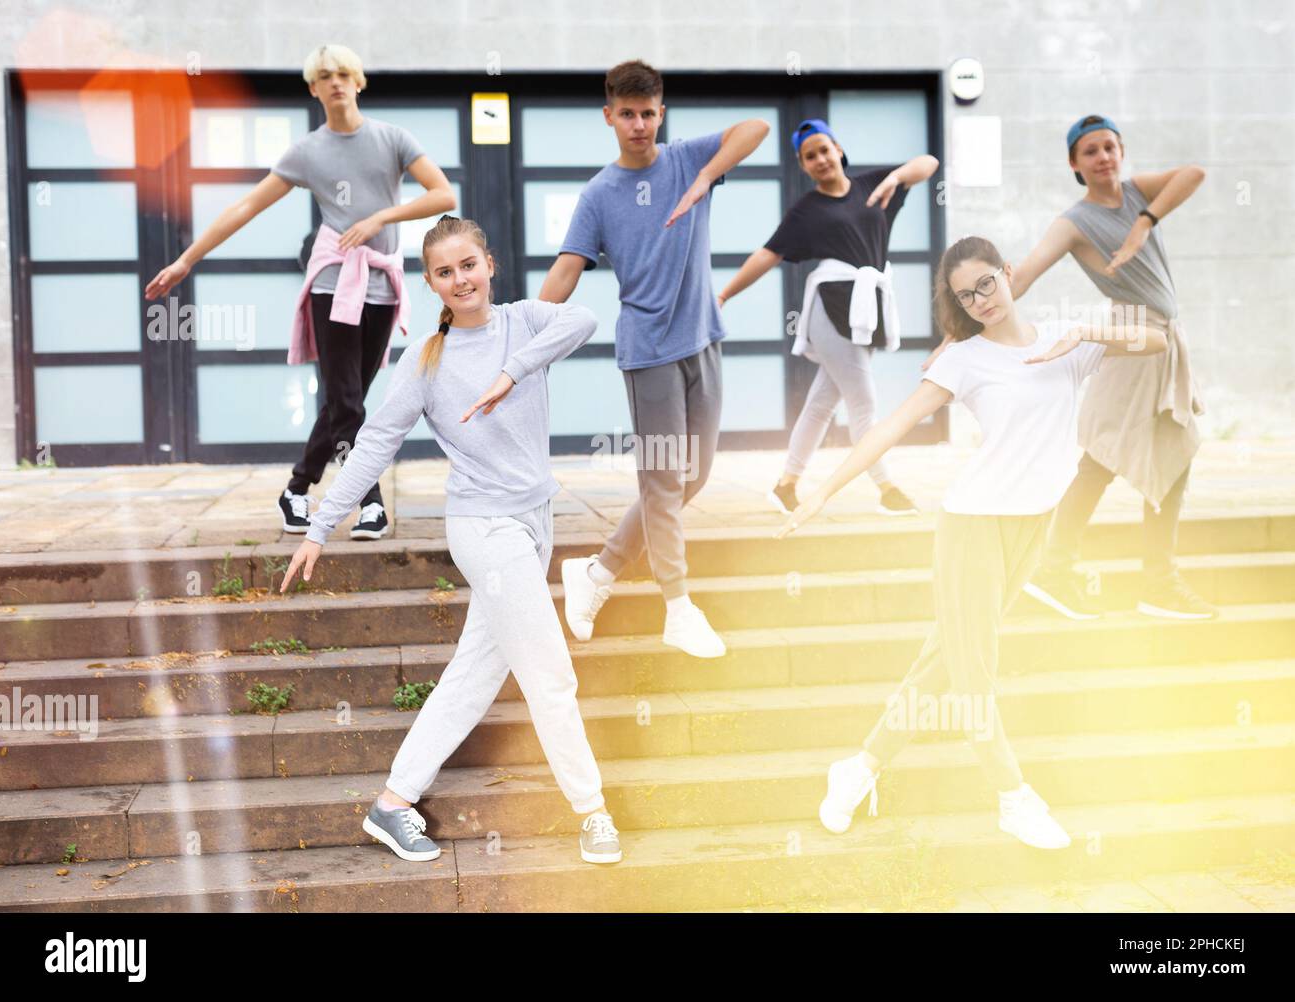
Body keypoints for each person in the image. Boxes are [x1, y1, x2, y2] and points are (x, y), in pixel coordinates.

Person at [777, 235, 1166, 849]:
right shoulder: (964, 358)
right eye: (965, 294)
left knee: (943, 662)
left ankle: (859, 768)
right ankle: (1012, 795)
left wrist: (1090, 332)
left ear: (1009, 275)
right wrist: (824, 491)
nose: (980, 299)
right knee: (972, 673)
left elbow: (1156, 340)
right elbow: (894, 426)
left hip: (1031, 525)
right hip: (973, 525)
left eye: (987, 283)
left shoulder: (1065, 341)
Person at [280, 216, 622, 865]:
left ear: (488, 264)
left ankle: (392, 804)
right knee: (548, 671)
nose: (460, 279)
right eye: (444, 272)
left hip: (532, 519)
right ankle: (593, 810)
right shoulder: (427, 360)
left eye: (468, 264)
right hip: (484, 528)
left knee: (474, 673)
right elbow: (375, 440)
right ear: (432, 284)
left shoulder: (525, 322)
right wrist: (323, 524)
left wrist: (513, 372)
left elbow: (583, 321)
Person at [144, 44, 456, 540]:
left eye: (343, 73)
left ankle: (296, 489)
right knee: (348, 403)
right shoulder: (308, 151)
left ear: (359, 82)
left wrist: (379, 216)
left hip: (380, 286)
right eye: (324, 76)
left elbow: (444, 194)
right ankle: (369, 502)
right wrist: (187, 259)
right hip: (333, 285)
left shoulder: (392, 139)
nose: (335, 82)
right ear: (313, 88)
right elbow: (246, 206)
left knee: (345, 402)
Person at [928, 115, 1213, 620]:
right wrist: (957, 333)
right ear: (1074, 164)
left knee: (1168, 454)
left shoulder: (1135, 195)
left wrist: (1144, 222)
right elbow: (1026, 273)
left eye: (1110, 147)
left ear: (1121, 151)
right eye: (1090, 152)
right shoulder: (1073, 222)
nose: (1103, 157)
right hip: (1128, 335)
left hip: (1163, 341)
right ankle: (1072, 569)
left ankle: (1144, 579)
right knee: (1103, 455)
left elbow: (1193, 173)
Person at [541, 59, 770, 659]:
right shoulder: (598, 194)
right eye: (627, 114)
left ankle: (596, 574)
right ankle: (678, 606)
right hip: (649, 355)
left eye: (648, 113)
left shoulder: (687, 158)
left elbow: (755, 129)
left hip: (704, 338)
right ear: (609, 116)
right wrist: (525, 335)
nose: (638, 125)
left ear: (660, 113)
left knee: (691, 478)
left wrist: (703, 180)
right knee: (664, 480)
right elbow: (567, 269)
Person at [719, 119, 937, 517]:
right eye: (809, 156)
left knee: (821, 403)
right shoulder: (807, 211)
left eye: (824, 149)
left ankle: (785, 486)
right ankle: (887, 489)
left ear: (838, 149)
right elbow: (768, 254)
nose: (820, 159)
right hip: (831, 310)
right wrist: (724, 294)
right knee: (863, 402)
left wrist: (898, 178)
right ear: (803, 166)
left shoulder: (875, 185)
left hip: (862, 309)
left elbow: (930, 163)